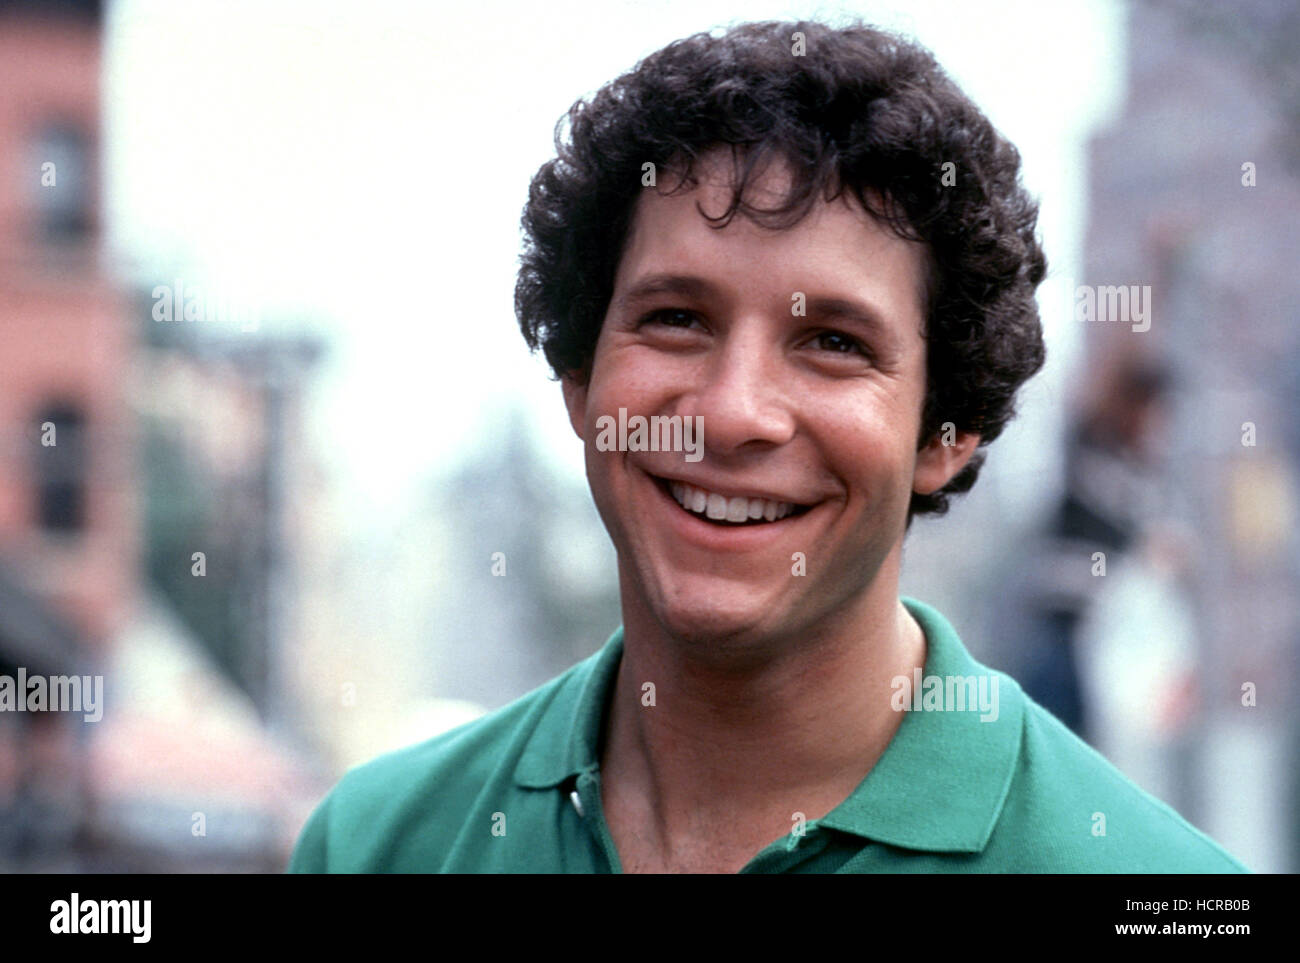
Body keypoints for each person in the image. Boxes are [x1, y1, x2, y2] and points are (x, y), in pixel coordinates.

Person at [289, 20, 1246, 873]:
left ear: (946, 433)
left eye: (834, 343)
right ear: (579, 379)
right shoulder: (378, 843)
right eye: (674, 318)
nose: (733, 411)